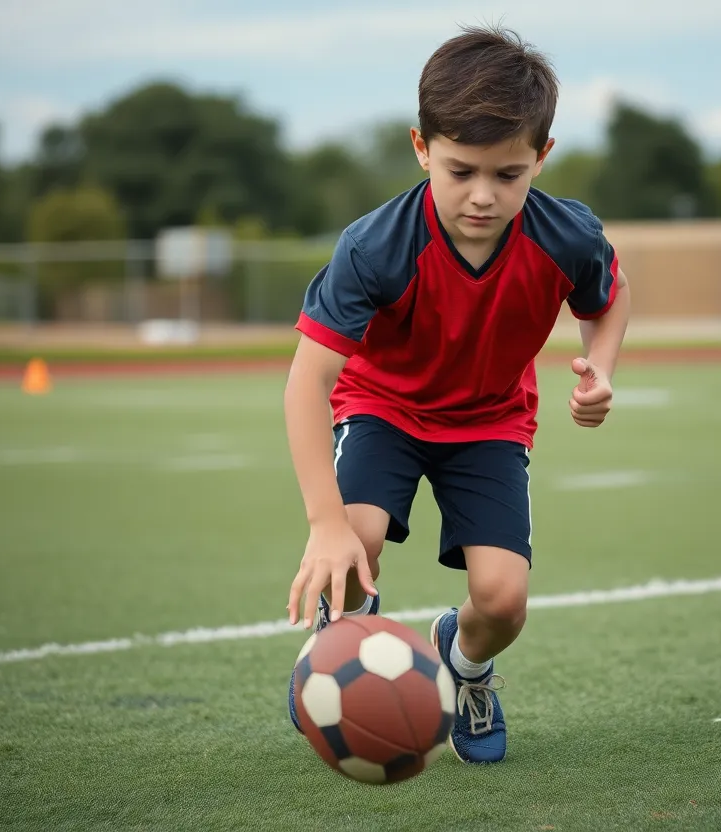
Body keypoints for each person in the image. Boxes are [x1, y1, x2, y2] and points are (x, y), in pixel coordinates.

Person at [284, 22, 631, 764]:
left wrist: (601, 366)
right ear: (421, 149)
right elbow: (307, 381)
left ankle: (463, 667)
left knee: (503, 600)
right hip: (384, 406)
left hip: (490, 421)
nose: (482, 195)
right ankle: (337, 648)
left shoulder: (564, 235)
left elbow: (608, 294)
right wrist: (324, 523)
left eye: (507, 174)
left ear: (542, 157)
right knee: (357, 539)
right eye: (460, 170)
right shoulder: (375, 246)